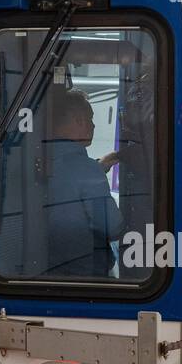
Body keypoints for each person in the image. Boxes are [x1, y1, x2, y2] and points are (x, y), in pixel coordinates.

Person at [40, 87, 122, 278]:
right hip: (84, 278)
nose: (93, 126)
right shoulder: (86, 171)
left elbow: (66, 178)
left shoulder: (36, 159)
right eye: (91, 119)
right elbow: (111, 226)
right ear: (79, 121)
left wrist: (98, 167)